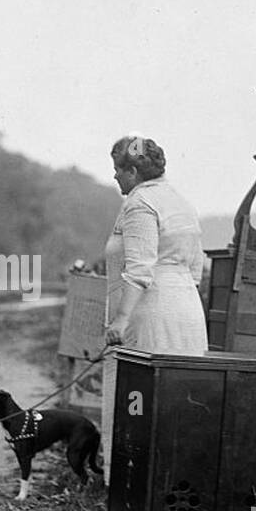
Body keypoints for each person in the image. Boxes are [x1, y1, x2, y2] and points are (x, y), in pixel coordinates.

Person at [101, 136, 208, 480]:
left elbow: (140, 269)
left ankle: (128, 483)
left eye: (119, 169)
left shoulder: (140, 204)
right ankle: (169, 478)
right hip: (187, 309)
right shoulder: (181, 202)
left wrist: (120, 319)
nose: (115, 176)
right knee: (176, 398)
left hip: (151, 312)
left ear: (133, 171)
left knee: (137, 396)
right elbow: (196, 268)